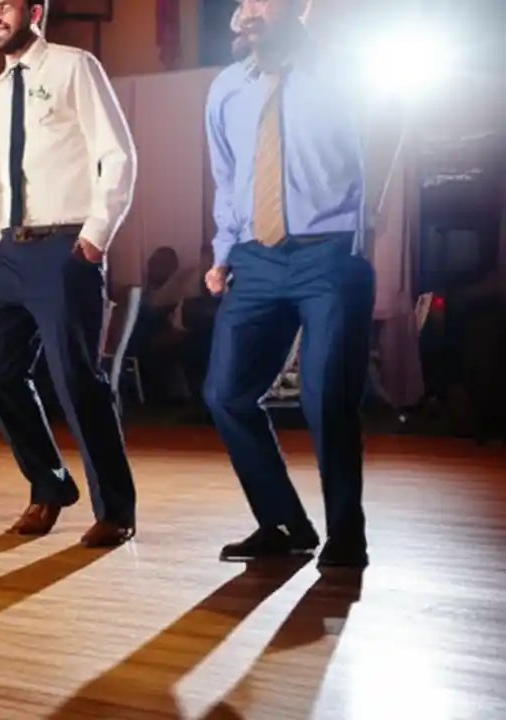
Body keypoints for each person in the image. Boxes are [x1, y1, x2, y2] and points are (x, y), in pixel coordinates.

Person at [202, 0, 395, 568]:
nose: (248, 10)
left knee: (326, 399)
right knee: (225, 394)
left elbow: (384, 141)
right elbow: (227, 177)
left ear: (298, 8)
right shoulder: (226, 89)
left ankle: (346, 535)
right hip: (255, 258)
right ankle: (284, 522)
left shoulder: (342, 73)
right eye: (243, 2)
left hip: (330, 253)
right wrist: (222, 251)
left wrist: (368, 224)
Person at [0, 0, 138, 543]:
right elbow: (0, 180)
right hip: (8, 252)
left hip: (66, 245)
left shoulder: (74, 66)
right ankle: (48, 485)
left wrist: (96, 236)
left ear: (35, 10)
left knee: (76, 379)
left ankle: (115, 509)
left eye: (6, 6)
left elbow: (118, 155)